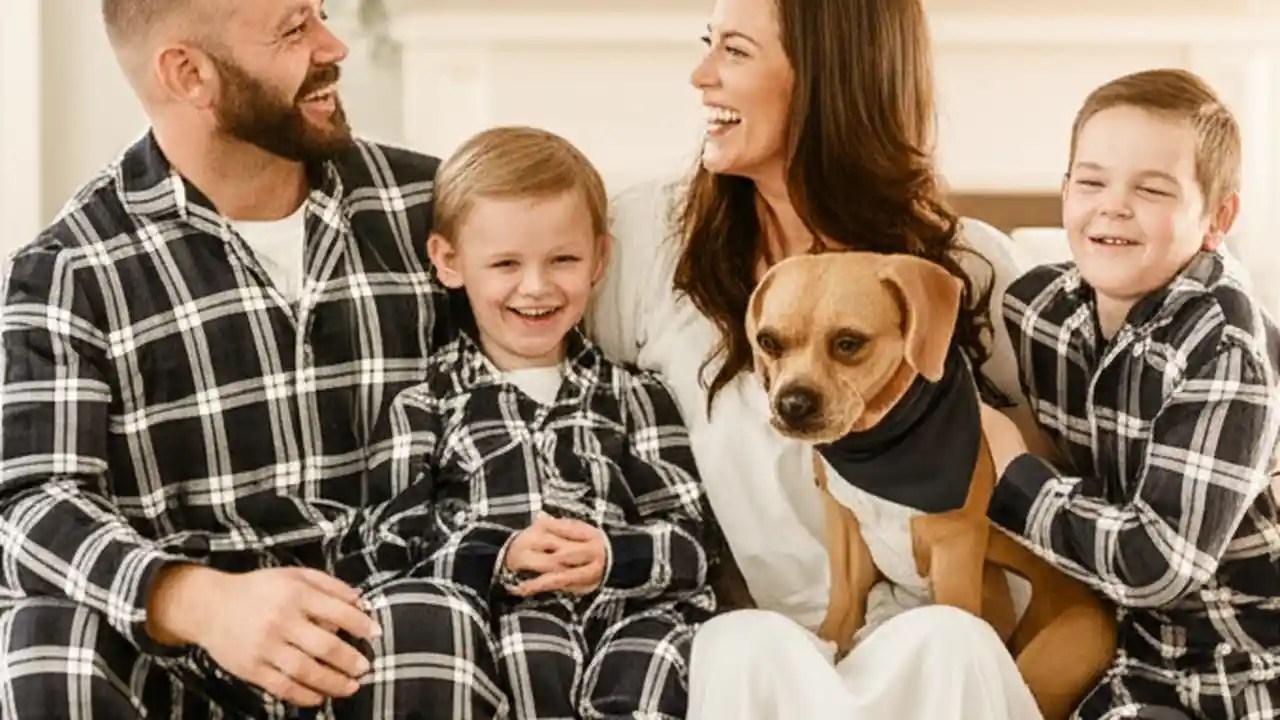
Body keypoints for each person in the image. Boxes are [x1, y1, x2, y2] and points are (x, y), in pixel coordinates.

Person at [0, 1, 509, 717]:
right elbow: (29, 504)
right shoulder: (69, 270)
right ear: (189, 74)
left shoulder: (435, 211)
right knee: (45, 640)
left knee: (435, 627)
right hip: (185, 660)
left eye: (319, 13)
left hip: (389, 638)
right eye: (293, 30)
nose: (333, 47)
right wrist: (199, 602)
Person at [585, 0, 1043, 717]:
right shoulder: (649, 243)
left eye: (735, 51)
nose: (700, 75)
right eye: (709, 44)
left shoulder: (971, 266)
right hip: (766, 657)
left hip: (942, 646)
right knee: (739, 643)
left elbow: (1051, 490)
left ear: (829, 75)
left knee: (948, 642)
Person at [342, 124, 716, 718]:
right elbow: (384, 558)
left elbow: (694, 545)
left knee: (665, 646)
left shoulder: (637, 397)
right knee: (502, 641)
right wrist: (500, 554)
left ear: (599, 259)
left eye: (563, 259)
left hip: (623, 625)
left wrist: (612, 554)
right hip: (497, 638)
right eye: (506, 263)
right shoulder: (424, 407)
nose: (537, 287)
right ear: (449, 262)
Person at [982, 68, 1280, 720]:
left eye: (1151, 189)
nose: (1113, 205)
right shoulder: (1036, 311)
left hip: (1242, 663)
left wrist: (1016, 475)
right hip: (1121, 657)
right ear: (1065, 192)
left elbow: (1158, 564)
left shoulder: (1224, 348)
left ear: (1218, 218)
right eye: (1091, 182)